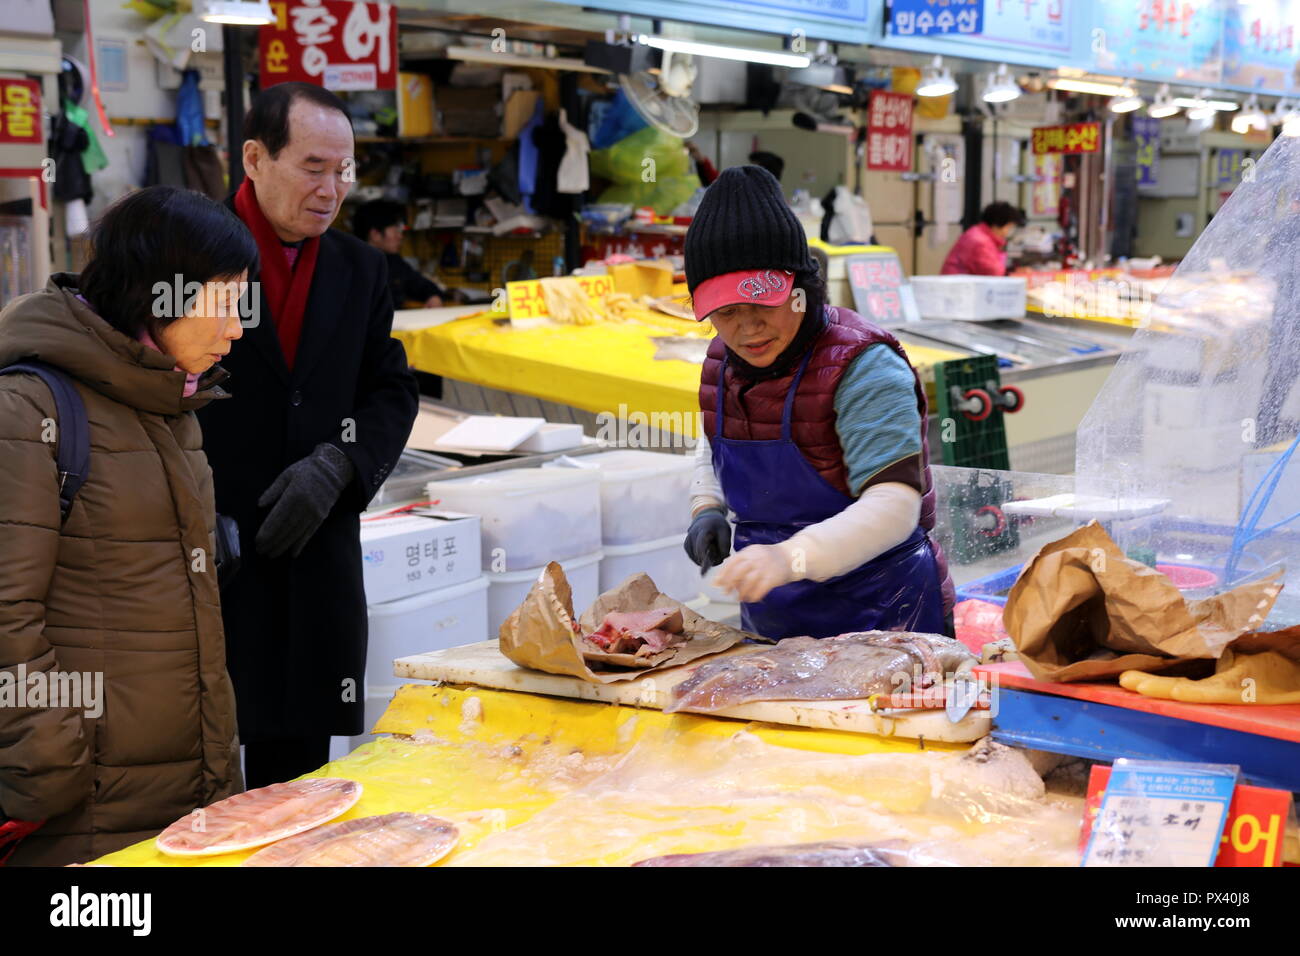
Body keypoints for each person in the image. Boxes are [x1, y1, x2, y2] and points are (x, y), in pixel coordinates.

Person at [0, 186, 254, 865]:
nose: (237, 327)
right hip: (82, 810)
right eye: (224, 303)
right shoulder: (28, 409)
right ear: (158, 296)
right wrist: (51, 762)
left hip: (185, 794)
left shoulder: (172, 406)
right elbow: (5, 613)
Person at [197, 82, 420, 789]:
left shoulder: (359, 268)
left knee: (294, 784)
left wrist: (343, 464)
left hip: (316, 552)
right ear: (255, 158)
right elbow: (143, 382)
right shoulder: (191, 252)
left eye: (344, 170)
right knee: (185, 766)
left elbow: (390, 387)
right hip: (209, 551)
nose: (332, 189)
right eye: (313, 167)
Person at [682, 165, 954, 640]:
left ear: (801, 290)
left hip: (886, 616)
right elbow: (714, 441)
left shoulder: (863, 365)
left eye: (763, 306)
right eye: (726, 313)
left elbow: (894, 506)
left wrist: (788, 558)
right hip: (776, 618)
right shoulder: (722, 361)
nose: (747, 329)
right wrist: (706, 506)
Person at [353, 199, 447, 308]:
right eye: (395, 230)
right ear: (375, 235)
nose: (400, 236)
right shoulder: (353, 267)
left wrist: (434, 296)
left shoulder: (393, 261)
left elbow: (421, 284)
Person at [940, 201, 1026, 276]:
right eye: (1008, 227)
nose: (1007, 232)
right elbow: (994, 273)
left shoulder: (978, 233)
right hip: (959, 290)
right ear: (996, 224)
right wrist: (1016, 273)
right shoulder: (980, 242)